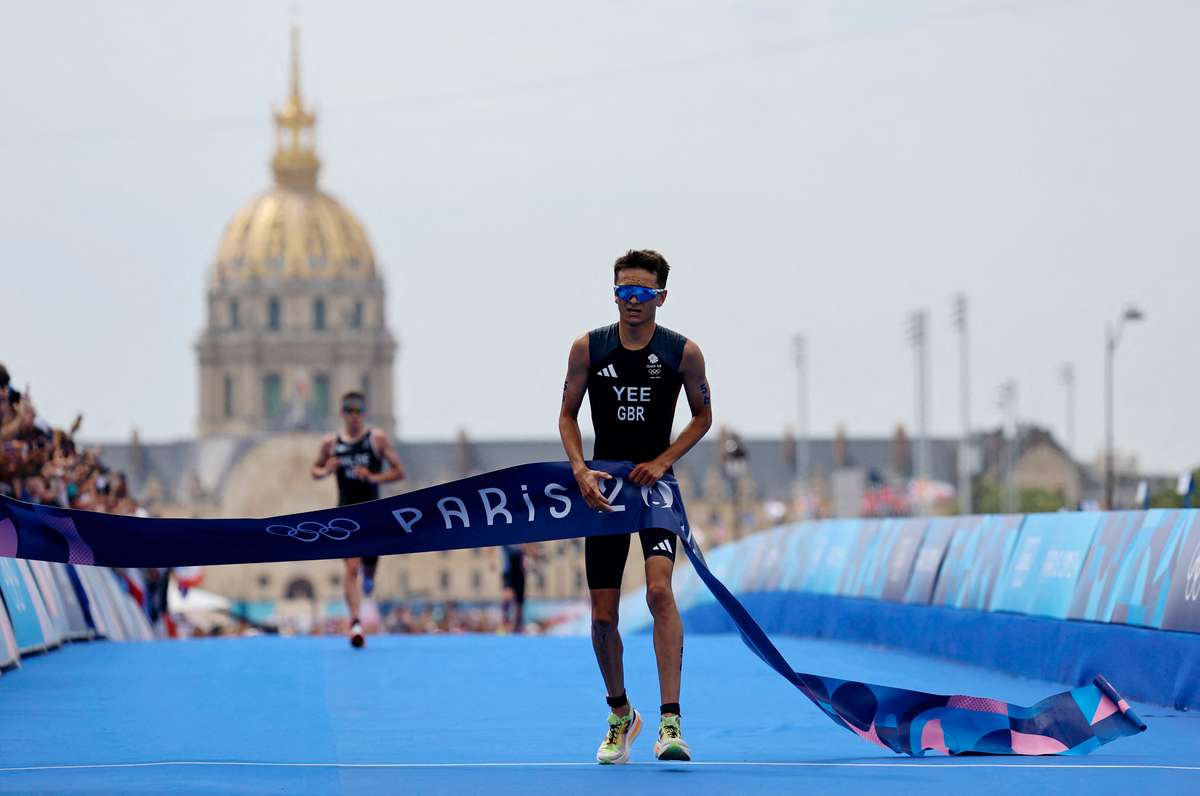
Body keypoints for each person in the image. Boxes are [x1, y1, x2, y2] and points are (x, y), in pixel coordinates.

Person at [558, 250, 712, 764]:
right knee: (602, 616)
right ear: (614, 294)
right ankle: (620, 713)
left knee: (659, 592)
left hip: (656, 486)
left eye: (642, 293)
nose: (632, 301)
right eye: (624, 291)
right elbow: (567, 416)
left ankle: (670, 721)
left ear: (661, 298)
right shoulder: (589, 348)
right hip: (604, 488)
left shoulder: (682, 354)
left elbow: (702, 416)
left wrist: (664, 459)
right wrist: (580, 469)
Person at [311, 391, 405, 648]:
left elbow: (399, 471)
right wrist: (326, 470)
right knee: (351, 566)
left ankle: (370, 577)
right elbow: (315, 470)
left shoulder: (376, 439)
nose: (354, 416)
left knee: (369, 568)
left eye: (358, 410)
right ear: (342, 413)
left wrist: (373, 477)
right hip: (346, 513)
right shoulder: (331, 443)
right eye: (349, 410)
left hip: (373, 512)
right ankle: (355, 622)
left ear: (365, 413)